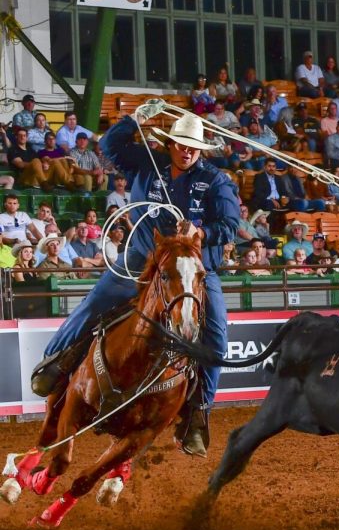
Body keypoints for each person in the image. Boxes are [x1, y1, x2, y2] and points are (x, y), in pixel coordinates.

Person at [30, 108, 239, 456]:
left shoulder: (217, 181)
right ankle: (55, 362)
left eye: (193, 146)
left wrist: (202, 231)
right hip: (142, 259)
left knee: (216, 341)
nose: (186, 151)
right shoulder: (148, 163)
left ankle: (197, 413)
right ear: (170, 143)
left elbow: (230, 226)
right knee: (95, 303)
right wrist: (135, 119)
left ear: (201, 149)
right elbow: (109, 146)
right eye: (181, 144)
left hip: (194, 267)